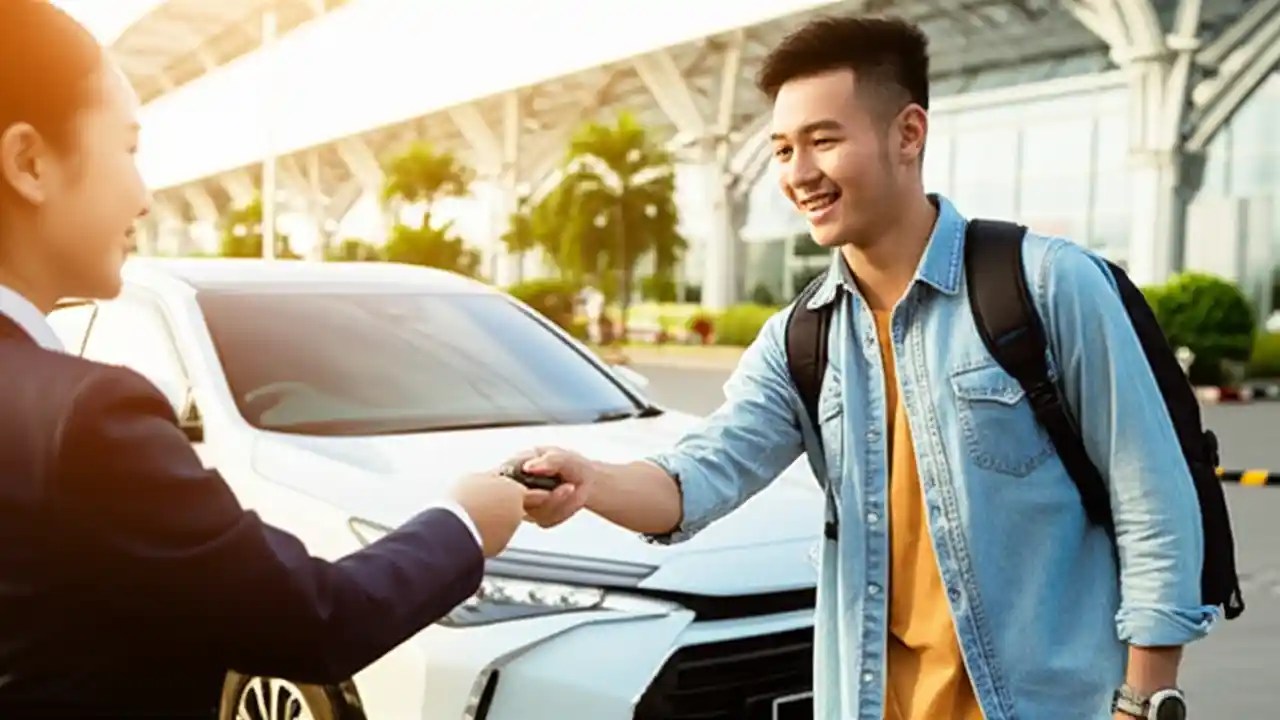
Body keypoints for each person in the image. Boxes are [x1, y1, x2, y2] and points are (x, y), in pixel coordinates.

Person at [518, 14, 1215, 720]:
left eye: (824, 140)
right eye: (783, 149)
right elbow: (698, 477)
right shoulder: (802, 338)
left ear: (908, 134)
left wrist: (1144, 698)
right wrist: (590, 481)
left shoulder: (1046, 286)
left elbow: (1153, 497)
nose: (799, 174)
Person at [0, 2, 527, 716]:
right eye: (127, 149)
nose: (145, 196)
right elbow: (316, 619)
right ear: (30, 162)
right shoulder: (85, 418)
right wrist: (466, 522)